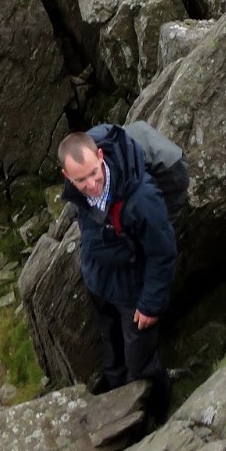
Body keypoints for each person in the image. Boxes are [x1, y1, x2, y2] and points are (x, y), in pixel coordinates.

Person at [59, 124, 176, 419]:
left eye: (94, 173)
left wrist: (150, 304)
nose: (91, 184)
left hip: (133, 294)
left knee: (141, 364)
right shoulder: (78, 190)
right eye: (81, 179)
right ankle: (119, 413)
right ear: (67, 177)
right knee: (112, 354)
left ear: (100, 156)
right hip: (101, 284)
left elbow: (163, 253)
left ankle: (158, 418)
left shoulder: (141, 198)